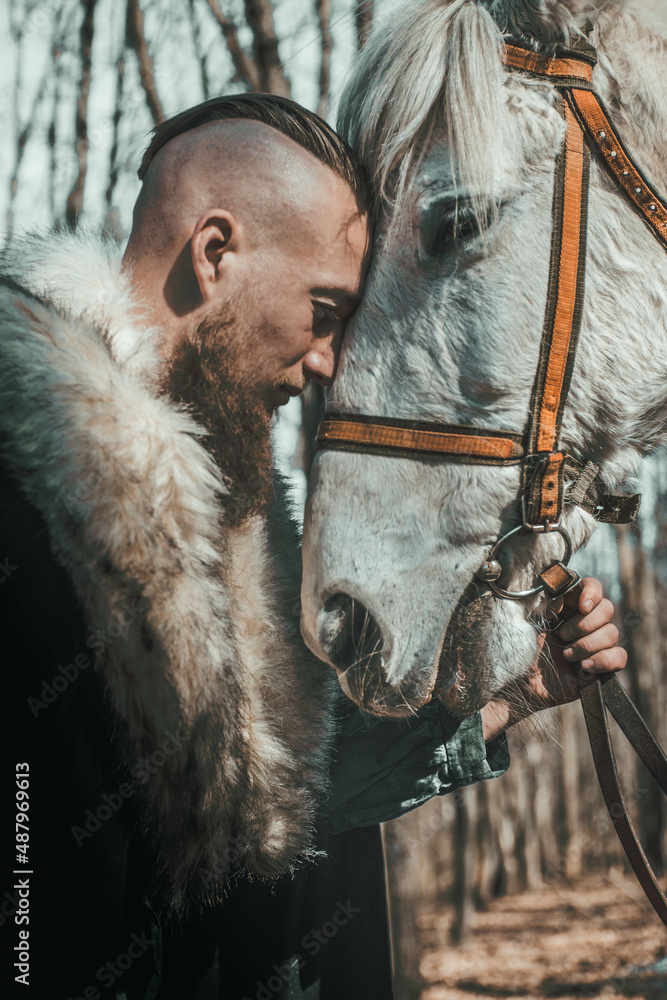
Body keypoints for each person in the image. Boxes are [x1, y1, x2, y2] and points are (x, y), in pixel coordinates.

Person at [0, 94, 626, 1000]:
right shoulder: (25, 483)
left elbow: (283, 803)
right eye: (324, 309)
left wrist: (513, 698)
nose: (329, 360)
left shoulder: (239, 517)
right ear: (215, 254)